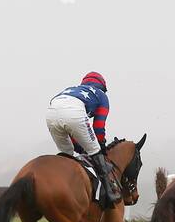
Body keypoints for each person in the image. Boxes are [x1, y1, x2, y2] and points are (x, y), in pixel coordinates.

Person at [46, 71, 120, 209]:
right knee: (95, 150)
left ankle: (60, 191)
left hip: (51, 112)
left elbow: (73, 132)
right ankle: (109, 193)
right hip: (74, 112)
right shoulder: (102, 95)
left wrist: (79, 148)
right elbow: (98, 126)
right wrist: (100, 146)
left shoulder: (72, 89)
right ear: (102, 86)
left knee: (67, 156)